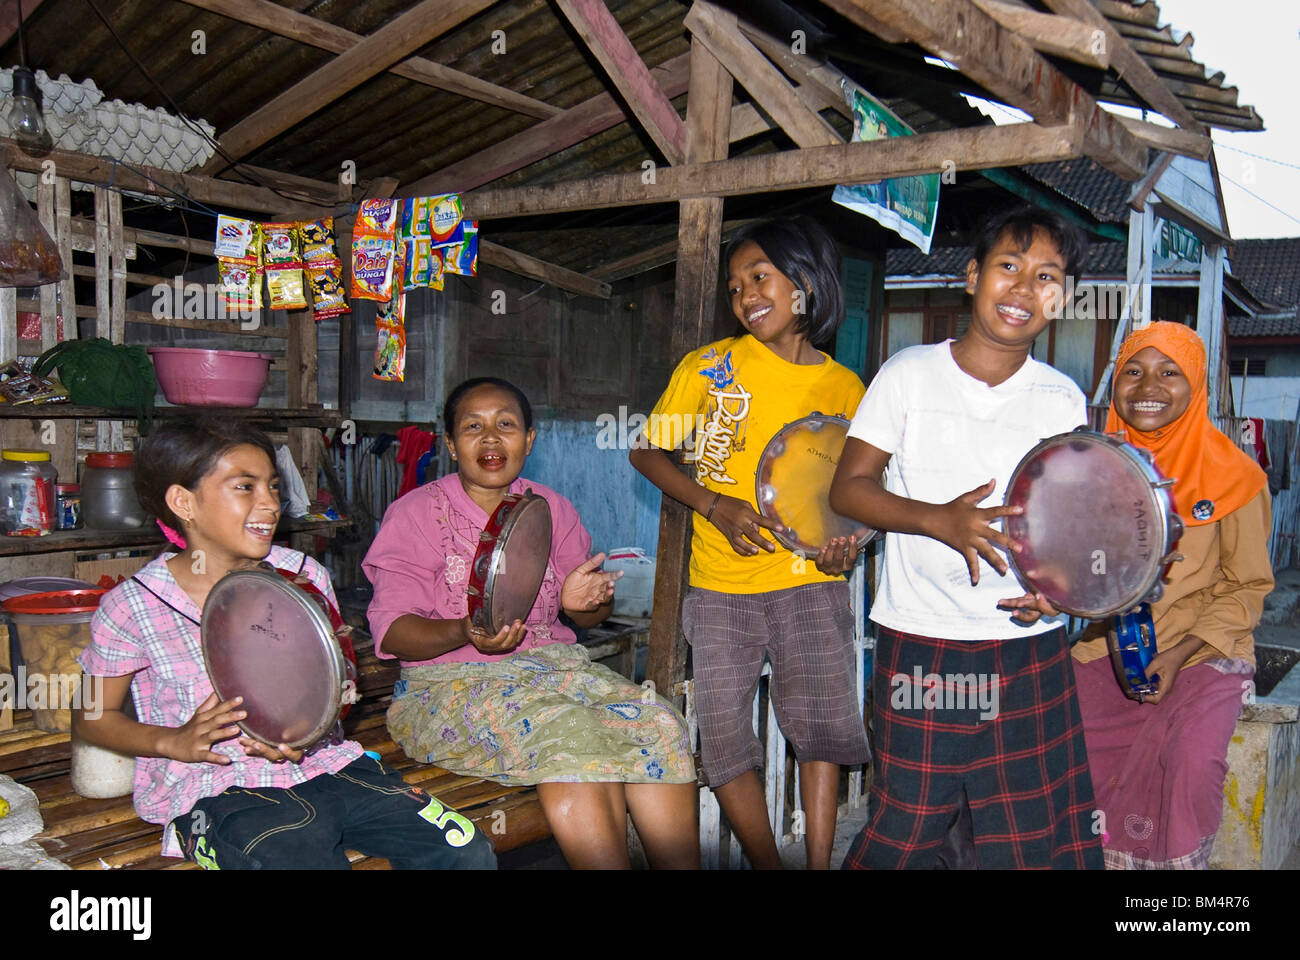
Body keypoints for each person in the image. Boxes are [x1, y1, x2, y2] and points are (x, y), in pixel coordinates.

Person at [74, 419, 495, 870]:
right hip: (221, 787)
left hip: (325, 765)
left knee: (463, 850)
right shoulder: (133, 605)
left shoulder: (301, 576)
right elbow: (93, 718)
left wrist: (306, 730)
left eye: (273, 486)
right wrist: (175, 741)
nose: (270, 504)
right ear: (183, 502)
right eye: (245, 487)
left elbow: (332, 684)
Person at [829, 205, 1102, 869]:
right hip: (923, 641)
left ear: (1060, 298)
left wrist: (1058, 592)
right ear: (972, 275)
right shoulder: (908, 374)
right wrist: (938, 519)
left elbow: (1068, 521)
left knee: (1027, 833)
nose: (1023, 289)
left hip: (1025, 645)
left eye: (1046, 277)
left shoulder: (1062, 399)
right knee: (909, 824)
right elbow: (849, 489)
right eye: (1008, 267)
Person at [363, 377, 698, 870]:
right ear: (452, 445)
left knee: (661, 722)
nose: (492, 439)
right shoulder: (415, 514)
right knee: (570, 731)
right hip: (449, 686)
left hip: (557, 671)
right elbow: (392, 633)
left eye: (507, 425)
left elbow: (591, 613)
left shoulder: (549, 507)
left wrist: (582, 601)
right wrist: (463, 630)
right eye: (473, 427)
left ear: (530, 440)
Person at [630, 216, 871, 870]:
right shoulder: (710, 368)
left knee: (821, 729)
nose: (745, 297)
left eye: (759, 277)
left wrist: (846, 545)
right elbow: (648, 451)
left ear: (807, 285)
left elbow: (851, 492)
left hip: (811, 584)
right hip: (721, 588)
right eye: (735, 287)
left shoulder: (845, 389)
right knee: (726, 737)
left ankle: (818, 862)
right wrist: (712, 503)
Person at [1064, 321, 1271, 869]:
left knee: (1191, 762)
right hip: (1104, 649)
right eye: (1132, 371)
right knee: (1067, 759)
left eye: (1168, 372)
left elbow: (1247, 585)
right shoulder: (1089, 468)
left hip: (1202, 653)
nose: (1147, 385)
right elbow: (1069, 567)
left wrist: (1178, 654)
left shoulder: (1236, 477)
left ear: (1196, 384)